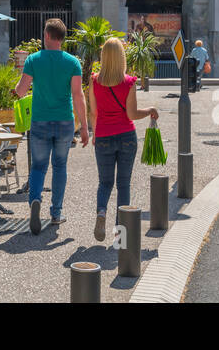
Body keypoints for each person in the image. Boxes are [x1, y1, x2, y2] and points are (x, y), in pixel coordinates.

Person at [14, 17, 88, 235]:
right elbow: (78, 95)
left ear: (46, 35)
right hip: (65, 121)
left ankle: (35, 200)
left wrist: (16, 89)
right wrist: (84, 125)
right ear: (62, 38)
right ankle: (56, 213)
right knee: (60, 166)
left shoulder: (33, 60)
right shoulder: (73, 62)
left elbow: (21, 90)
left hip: (40, 120)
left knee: (38, 166)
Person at [88, 38, 159, 242]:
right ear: (121, 58)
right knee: (124, 184)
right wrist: (150, 110)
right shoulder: (129, 82)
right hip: (126, 136)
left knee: (105, 182)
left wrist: (95, 133)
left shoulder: (94, 81)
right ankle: (121, 235)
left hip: (103, 136)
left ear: (104, 57)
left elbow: (94, 113)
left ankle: (101, 213)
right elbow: (132, 114)